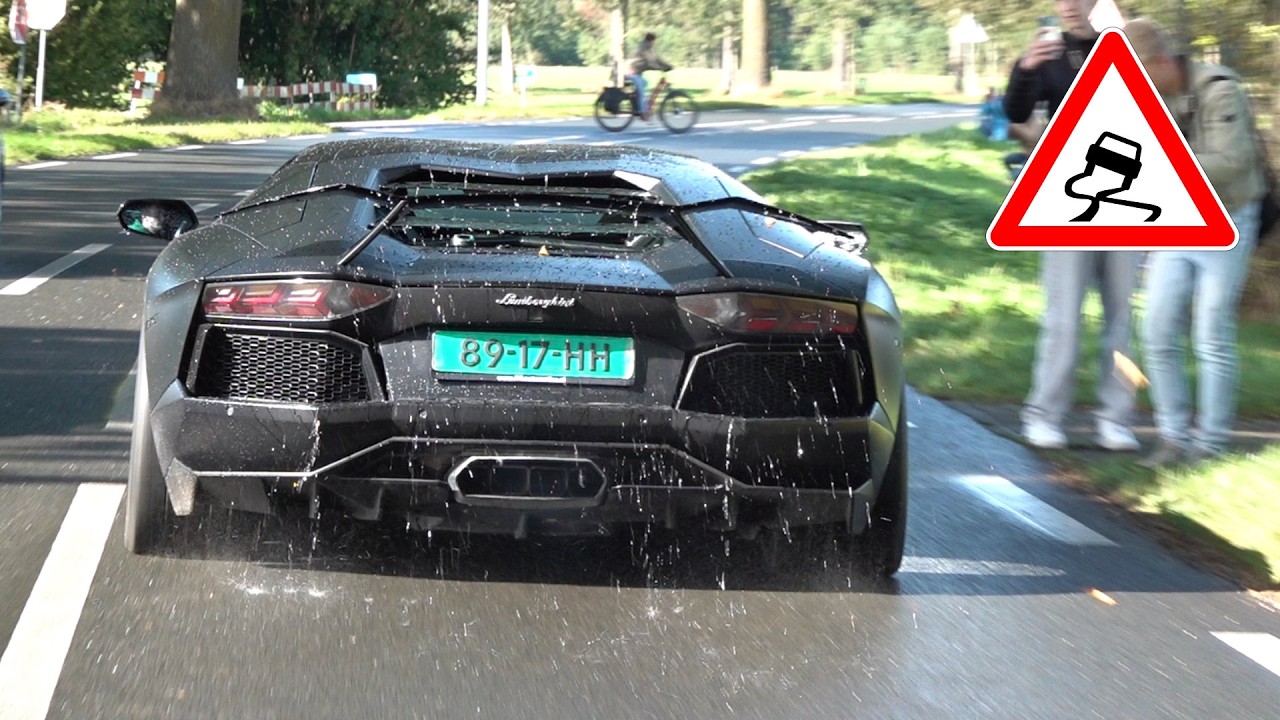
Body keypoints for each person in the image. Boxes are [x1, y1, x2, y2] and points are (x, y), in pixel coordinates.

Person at [1124, 18, 1267, 466]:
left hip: (1228, 217)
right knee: (1158, 329)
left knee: (1211, 331)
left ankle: (1210, 444)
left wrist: (1164, 160)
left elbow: (1233, 160)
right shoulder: (1147, 93)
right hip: (1178, 218)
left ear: (1163, 61)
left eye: (1145, 75)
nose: (1141, 86)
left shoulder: (1220, 89)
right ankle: (1172, 438)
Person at [1003, 0, 1143, 451]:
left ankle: (1117, 420)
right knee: (1063, 318)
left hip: (1131, 200)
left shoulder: (1127, 46)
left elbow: (1156, 107)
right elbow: (1015, 113)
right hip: (1067, 200)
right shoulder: (1047, 57)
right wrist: (1024, 70)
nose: (1068, 7)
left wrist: (1122, 43)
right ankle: (1044, 415)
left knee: (1124, 321)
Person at [626, 32, 672, 120]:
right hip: (631, 72)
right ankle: (643, 113)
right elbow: (651, 61)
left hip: (637, 73)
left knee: (645, 83)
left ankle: (635, 100)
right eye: (654, 41)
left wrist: (667, 65)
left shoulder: (649, 49)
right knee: (642, 92)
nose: (654, 43)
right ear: (650, 40)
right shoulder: (643, 48)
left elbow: (657, 59)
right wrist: (659, 68)